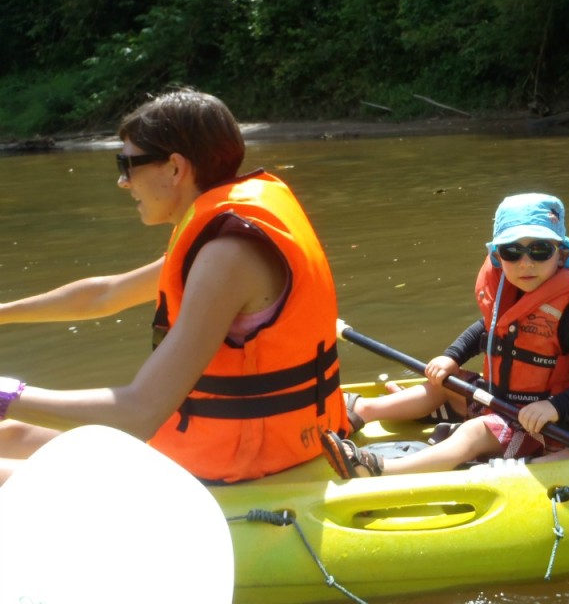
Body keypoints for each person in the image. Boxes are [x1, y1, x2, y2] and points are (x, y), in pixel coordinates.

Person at [0, 88, 348, 483]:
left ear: (175, 168)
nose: (123, 182)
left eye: (127, 164)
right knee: (12, 436)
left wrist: (7, 396)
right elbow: (105, 294)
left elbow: (139, 412)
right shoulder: (223, 239)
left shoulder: (227, 258)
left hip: (243, 460)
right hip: (248, 439)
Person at [320, 193, 569, 478]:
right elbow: (484, 329)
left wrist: (553, 407)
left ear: (561, 254)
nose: (526, 262)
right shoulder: (508, 294)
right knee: (448, 382)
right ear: (497, 257)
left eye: (540, 250)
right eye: (512, 252)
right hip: (499, 402)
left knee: (473, 432)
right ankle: (362, 411)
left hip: (544, 428)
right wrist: (451, 357)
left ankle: (382, 470)